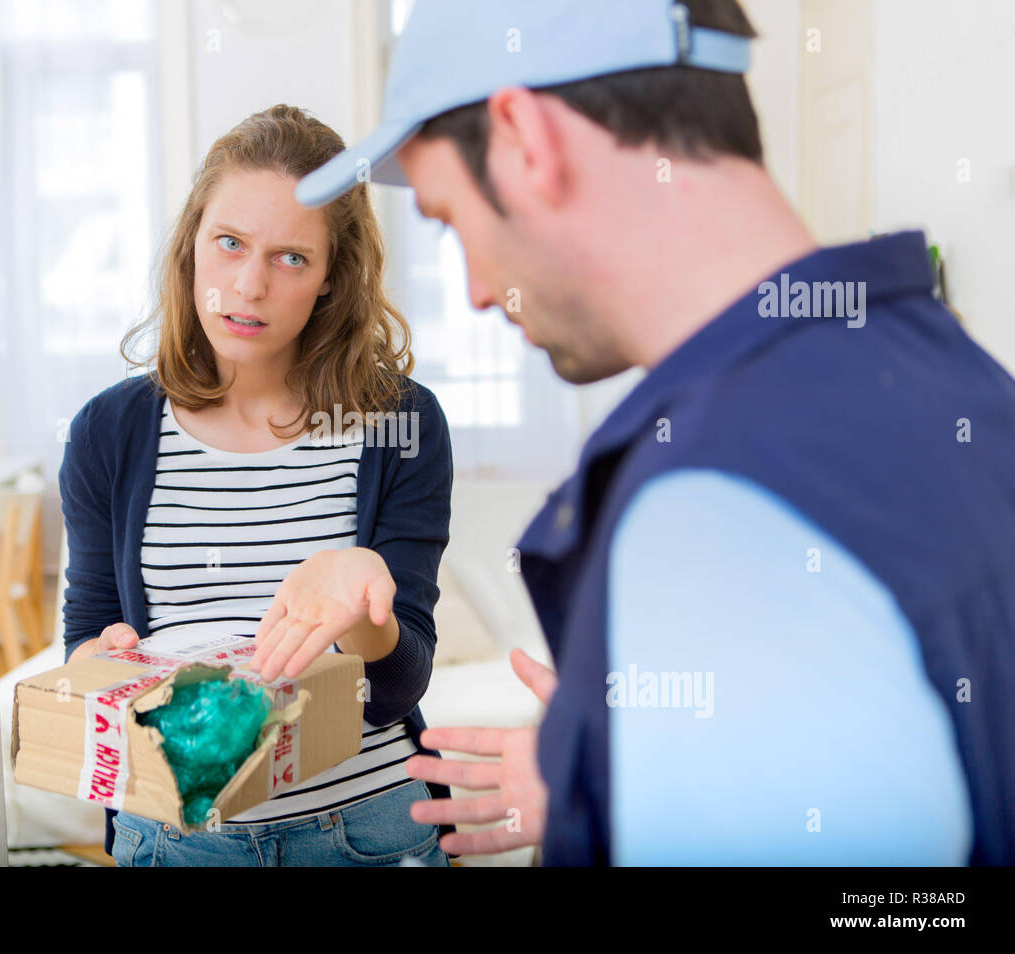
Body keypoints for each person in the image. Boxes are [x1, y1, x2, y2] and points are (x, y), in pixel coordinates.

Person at [292, 0, 1015, 865]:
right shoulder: (951, 373)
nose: (480, 290)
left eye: (452, 221)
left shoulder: (707, 503)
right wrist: (609, 769)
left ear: (526, 136)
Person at [59, 104, 454, 866]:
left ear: (333, 277)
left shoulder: (398, 422)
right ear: (192, 245)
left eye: (291, 258)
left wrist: (366, 597)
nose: (248, 285)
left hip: (366, 830)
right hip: (176, 837)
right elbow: (89, 630)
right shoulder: (108, 432)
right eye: (230, 243)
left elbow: (399, 689)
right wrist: (99, 663)